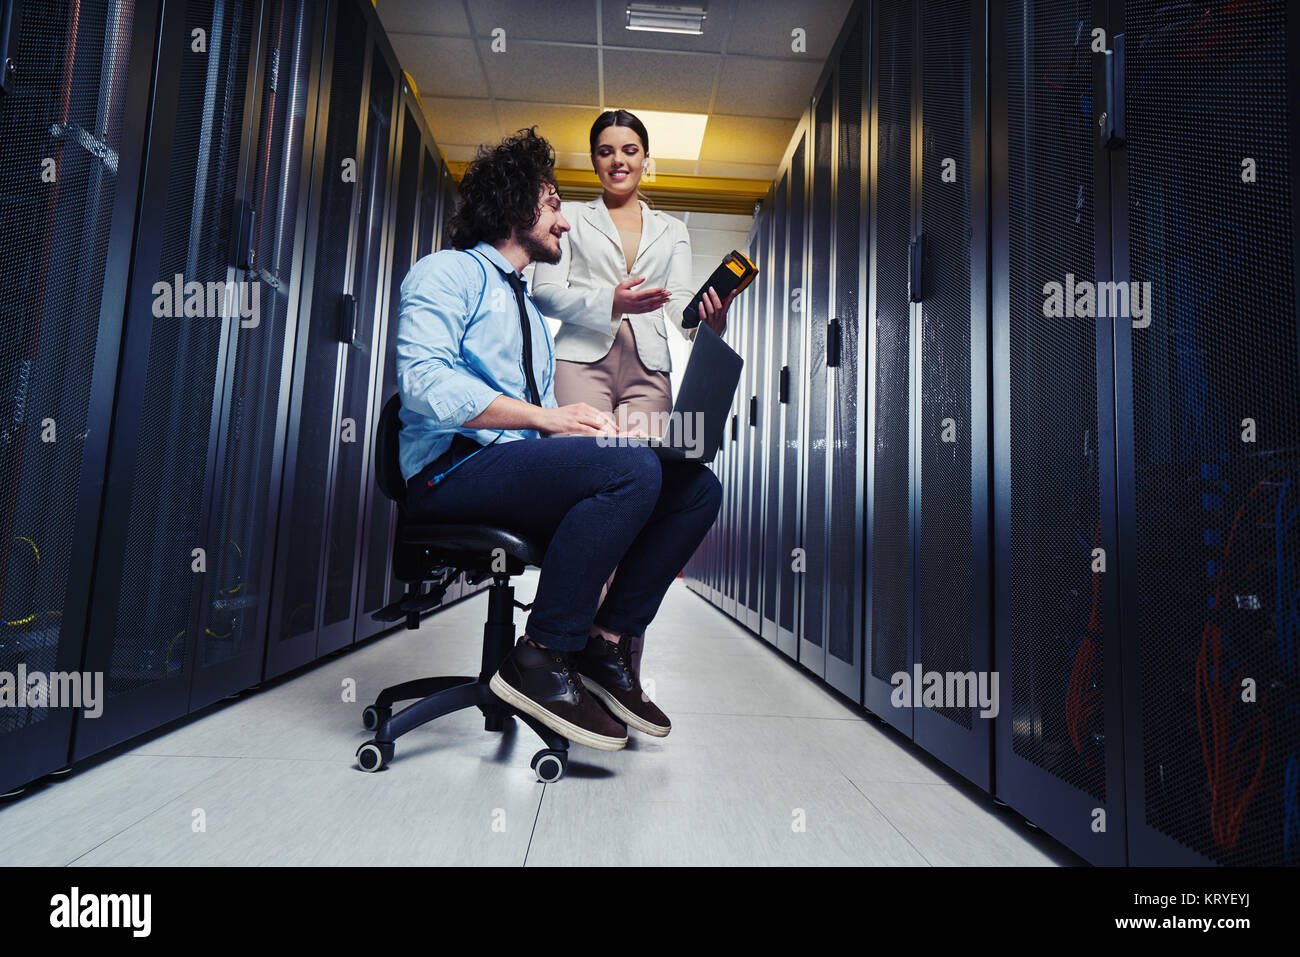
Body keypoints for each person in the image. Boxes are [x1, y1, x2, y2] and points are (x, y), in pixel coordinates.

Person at [395, 128, 722, 754]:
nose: (565, 224)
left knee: (693, 488)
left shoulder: (527, 312)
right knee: (629, 473)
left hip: (505, 468)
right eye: (551, 205)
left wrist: (591, 427)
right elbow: (422, 382)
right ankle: (541, 654)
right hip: (448, 474)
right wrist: (545, 422)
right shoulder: (447, 273)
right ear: (518, 207)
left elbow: (545, 428)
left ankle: (604, 644)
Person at [531, 108, 734, 437]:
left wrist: (703, 326)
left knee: (643, 467)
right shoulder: (568, 216)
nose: (617, 161)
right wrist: (611, 302)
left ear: (646, 159)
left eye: (629, 150)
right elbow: (545, 294)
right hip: (580, 362)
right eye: (605, 152)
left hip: (648, 372)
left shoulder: (673, 229)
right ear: (594, 161)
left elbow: (676, 299)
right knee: (584, 465)